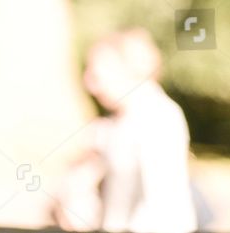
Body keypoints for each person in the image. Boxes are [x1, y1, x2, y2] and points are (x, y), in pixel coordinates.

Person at [52, 28, 199, 232]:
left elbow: (160, 208)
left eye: (97, 73)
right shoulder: (113, 127)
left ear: (127, 69)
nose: (90, 84)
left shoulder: (159, 118)